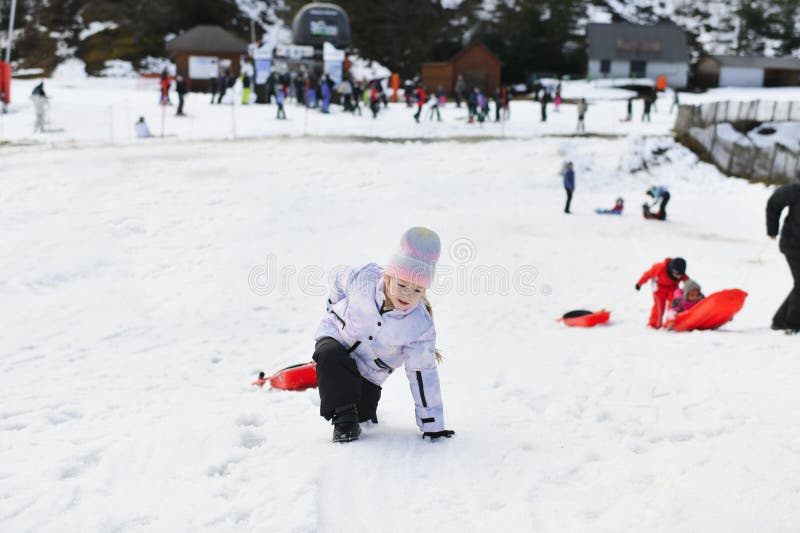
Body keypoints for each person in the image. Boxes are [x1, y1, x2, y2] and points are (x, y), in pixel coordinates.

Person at [312, 227, 455, 443]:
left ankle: (351, 404)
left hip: (367, 374)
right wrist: (333, 309)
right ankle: (344, 424)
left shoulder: (419, 327)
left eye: (417, 290)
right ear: (388, 278)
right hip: (336, 339)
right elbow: (338, 280)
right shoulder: (365, 279)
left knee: (364, 415)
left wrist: (432, 425)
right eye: (402, 284)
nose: (408, 294)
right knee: (330, 357)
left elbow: (422, 373)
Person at [766, 182, 800, 334]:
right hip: (792, 244)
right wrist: (772, 229)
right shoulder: (795, 190)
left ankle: (780, 320)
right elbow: (774, 203)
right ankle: (792, 324)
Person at [636, 257, 688, 329]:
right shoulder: (659, 268)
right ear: (671, 270)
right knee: (659, 307)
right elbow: (647, 275)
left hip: (672, 288)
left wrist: (693, 289)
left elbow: (688, 282)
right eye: (676, 274)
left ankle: (671, 323)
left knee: (674, 305)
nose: (678, 276)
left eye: (680, 275)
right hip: (659, 289)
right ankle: (654, 325)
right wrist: (639, 284)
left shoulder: (681, 274)